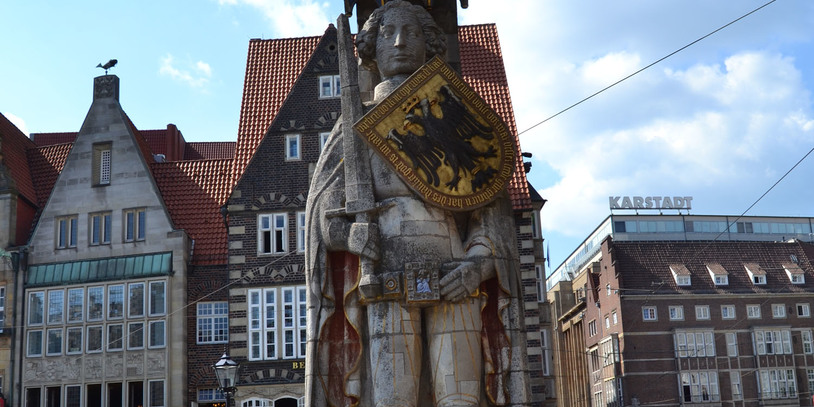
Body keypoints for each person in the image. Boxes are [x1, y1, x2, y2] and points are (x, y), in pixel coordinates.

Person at [304, 2, 529, 406]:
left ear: (431, 44)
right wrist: (351, 235)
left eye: (413, 32)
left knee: (461, 398)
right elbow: (324, 214)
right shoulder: (357, 126)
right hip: (386, 277)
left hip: (456, 276)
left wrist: (478, 267)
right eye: (389, 33)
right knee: (393, 399)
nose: (401, 42)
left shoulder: (457, 114)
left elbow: (489, 216)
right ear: (371, 47)